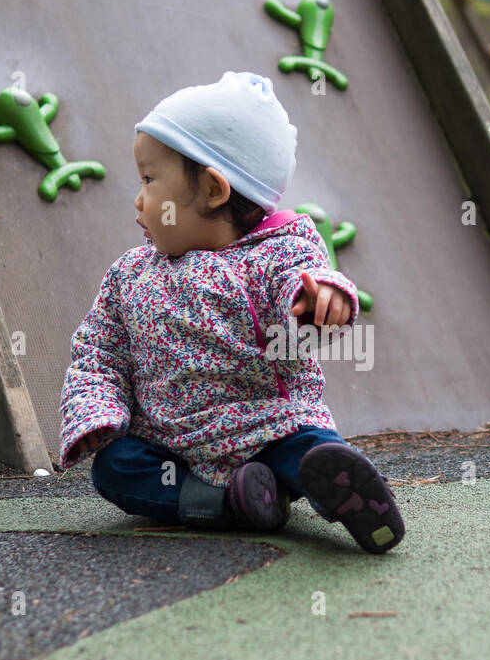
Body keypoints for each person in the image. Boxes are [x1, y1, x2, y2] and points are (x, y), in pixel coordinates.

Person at [58, 71, 404, 554]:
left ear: (214, 191)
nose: (138, 199)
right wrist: (96, 412)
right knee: (115, 468)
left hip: (267, 425)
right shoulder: (130, 274)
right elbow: (98, 351)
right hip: (168, 444)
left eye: (150, 179)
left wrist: (321, 302)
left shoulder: (277, 252)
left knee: (309, 446)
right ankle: (232, 501)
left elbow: (303, 282)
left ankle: (341, 491)